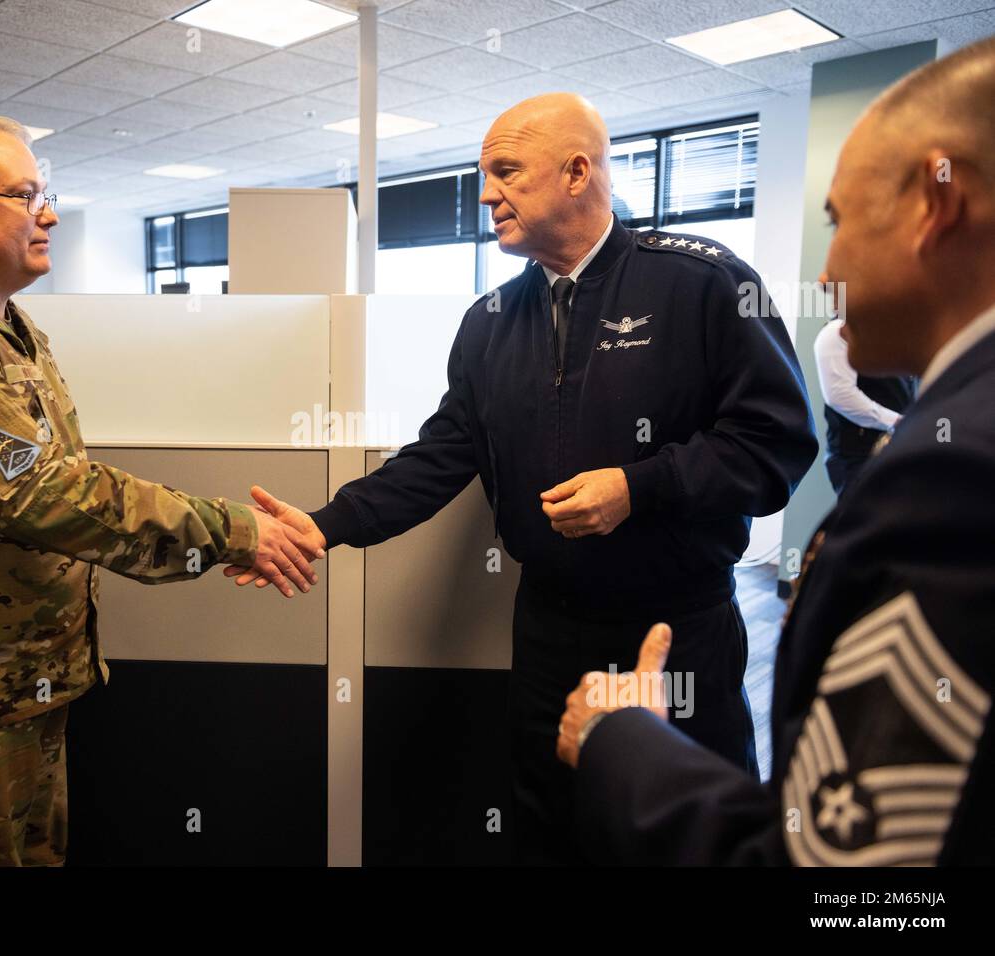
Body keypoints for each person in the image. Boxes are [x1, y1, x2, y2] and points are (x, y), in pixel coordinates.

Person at [230, 94, 818, 863]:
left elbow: (774, 444)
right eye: (483, 175)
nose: (484, 195)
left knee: (682, 833)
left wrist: (639, 487)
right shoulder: (490, 319)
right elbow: (442, 453)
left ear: (577, 172)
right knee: (550, 824)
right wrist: (326, 523)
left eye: (504, 171)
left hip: (670, 634)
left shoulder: (701, 284)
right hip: (547, 630)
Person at [0, 115, 322, 866]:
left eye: (46, 193)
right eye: (22, 195)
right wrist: (233, 532)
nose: (47, 213)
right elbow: (38, 494)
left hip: (5, 699)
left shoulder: (0, 326)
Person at [556, 37, 995, 866]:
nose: (826, 271)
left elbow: (850, 877)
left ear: (938, 206)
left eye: (840, 222)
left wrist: (622, 740)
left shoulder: (951, 484)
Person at [813, 316, 914, 494]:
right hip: (859, 455)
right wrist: (896, 421)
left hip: (898, 449)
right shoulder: (836, 332)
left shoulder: (892, 330)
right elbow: (840, 395)